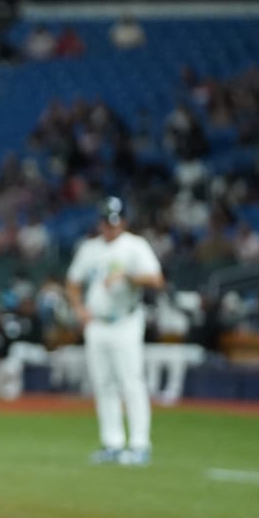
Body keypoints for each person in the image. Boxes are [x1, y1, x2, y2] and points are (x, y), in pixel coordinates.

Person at [65, 197, 164, 465]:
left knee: (131, 382)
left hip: (126, 321)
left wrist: (128, 276)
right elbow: (73, 282)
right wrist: (78, 309)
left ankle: (139, 445)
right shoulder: (90, 248)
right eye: (107, 221)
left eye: (116, 221)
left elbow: (156, 279)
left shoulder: (135, 246)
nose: (111, 226)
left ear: (124, 221)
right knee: (103, 384)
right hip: (97, 323)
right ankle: (112, 443)